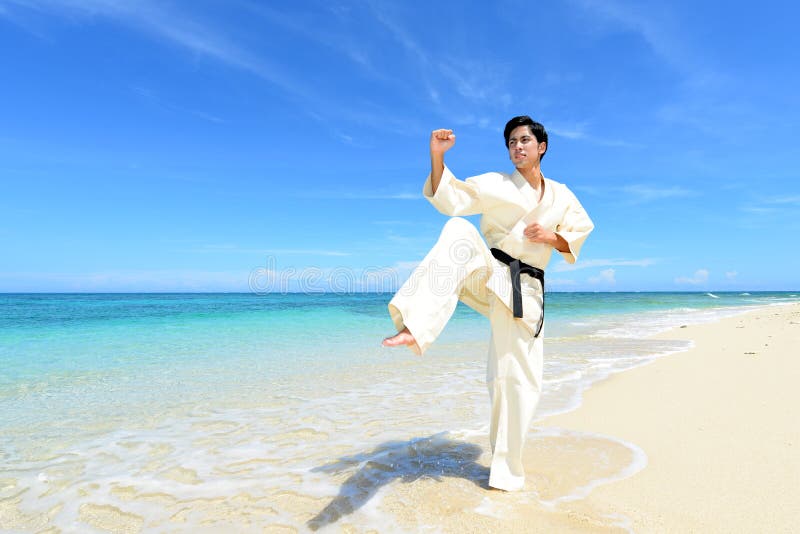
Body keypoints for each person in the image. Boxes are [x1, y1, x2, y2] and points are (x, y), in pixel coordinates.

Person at [382, 116, 594, 491]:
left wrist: (552, 237)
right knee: (460, 231)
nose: (517, 147)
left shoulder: (562, 194)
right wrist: (437, 156)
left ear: (541, 147)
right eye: (511, 142)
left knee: (516, 379)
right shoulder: (496, 183)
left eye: (524, 140)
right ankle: (416, 325)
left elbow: (578, 234)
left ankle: (506, 471)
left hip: (526, 291)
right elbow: (451, 198)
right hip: (490, 271)